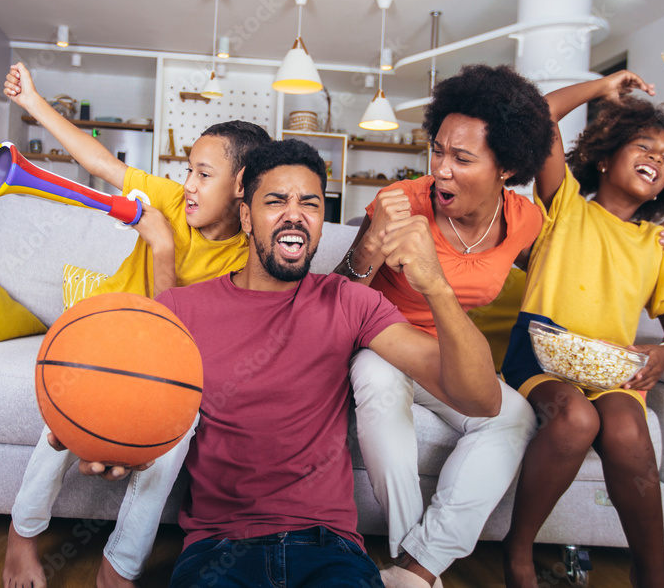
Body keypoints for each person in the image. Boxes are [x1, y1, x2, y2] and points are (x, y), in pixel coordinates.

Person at [66, 139, 502, 586]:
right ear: (245, 216)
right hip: (218, 549)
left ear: (319, 220)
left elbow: (482, 400)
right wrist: (111, 444)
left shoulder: (351, 302)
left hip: (329, 548)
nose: (294, 213)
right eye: (276, 201)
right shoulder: (182, 308)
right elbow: (132, 399)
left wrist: (438, 289)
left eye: (309, 203)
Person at [331, 64, 664, 587]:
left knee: (513, 421)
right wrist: (370, 243)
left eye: (461, 157)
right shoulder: (405, 201)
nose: (441, 169)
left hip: (452, 353)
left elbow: (570, 266)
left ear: (505, 167)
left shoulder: (526, 220)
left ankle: (420, 564)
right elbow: (340, 299)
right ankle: (411, 563)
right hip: (386, 344)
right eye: (437, 151)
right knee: (377, 385)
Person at [1, 62, 271, 587]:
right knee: (62, 414)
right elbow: (98, 160)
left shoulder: (247, 255)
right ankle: (22, 534)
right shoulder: (170, 200)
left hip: (167, 353)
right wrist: (33, 104)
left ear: (242, 186)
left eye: (203, 174)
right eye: (188, 169)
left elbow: (176, 333)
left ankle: (119, 565)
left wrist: (162, 247)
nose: (187, 184)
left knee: (179, 429)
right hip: (103, 335)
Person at [500, 71, 664, 588]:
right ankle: (518, 552)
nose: (658, 160)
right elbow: (543, 114)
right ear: (604, 157)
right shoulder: (565, 205)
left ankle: (652, 574)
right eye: (645, 147)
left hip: (610, 366)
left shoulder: (659, 245)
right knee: (575, 420)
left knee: (626, 430)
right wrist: (600, 89)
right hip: (538, 354)